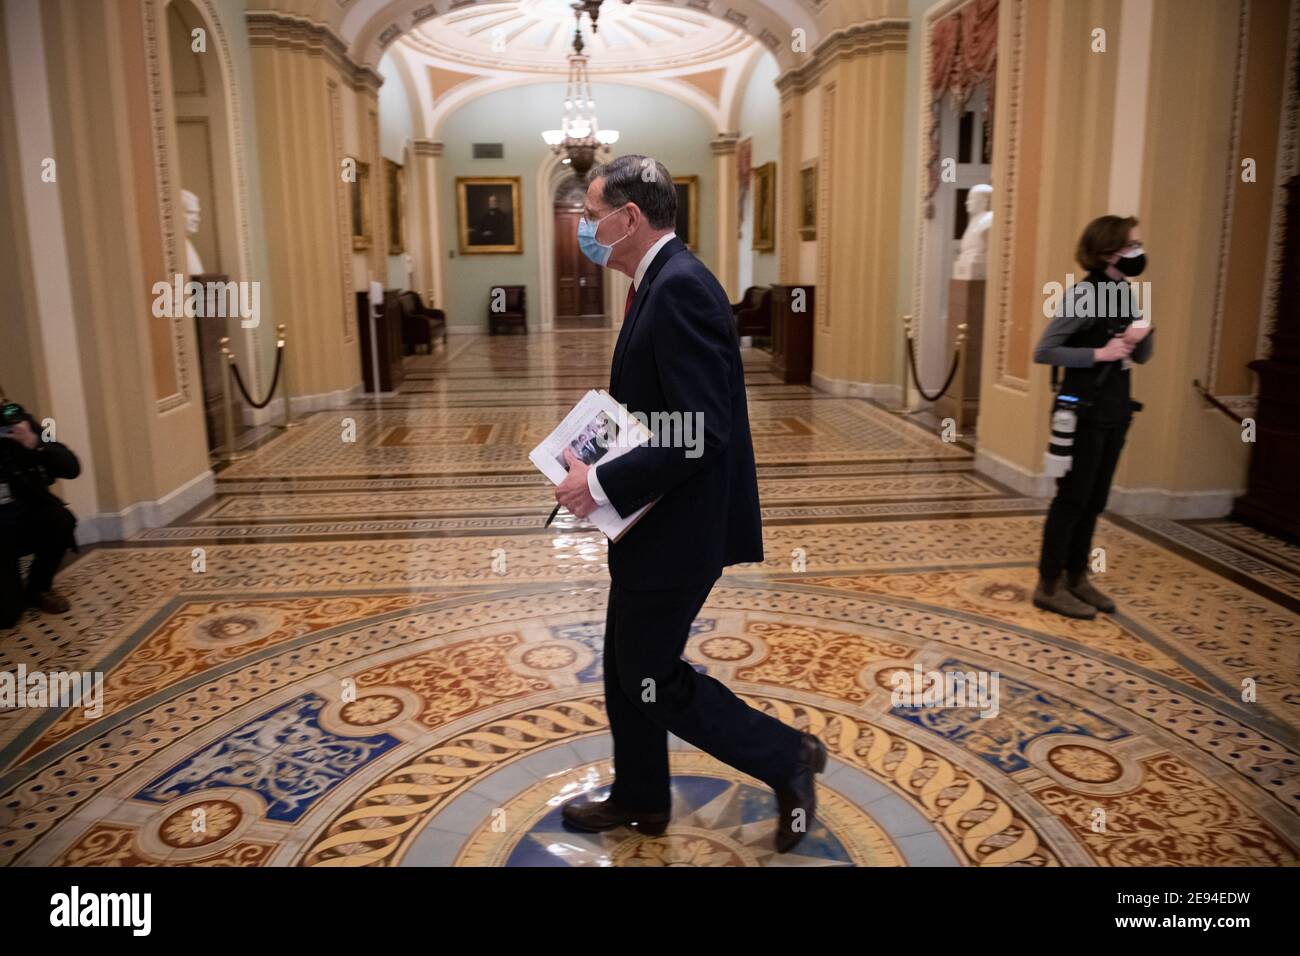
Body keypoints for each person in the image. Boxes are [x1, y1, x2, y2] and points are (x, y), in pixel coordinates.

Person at [552, 155, 825, 853]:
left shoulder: (680, 289)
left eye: (592, 216)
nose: (586, 228)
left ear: (629, 218)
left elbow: (702, 431)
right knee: (624, 666)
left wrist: (604, 484)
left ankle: (785, 755)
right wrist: (595, 446)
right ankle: (642, 798)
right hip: (653, 522)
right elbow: (662, 411)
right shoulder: (657, 282)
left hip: (679, 527)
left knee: (652, 676)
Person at [1032, 216, 1154, 619]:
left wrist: (1143, 334)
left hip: (1115, 408)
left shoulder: (1126, 293)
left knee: (1096, 499)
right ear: (1107, 252)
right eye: (1131, 245)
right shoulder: (1085, 295)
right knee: (1073, 498)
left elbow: (1139, 357)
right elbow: (1045, 350)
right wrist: (1097, 354)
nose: (1139, 251)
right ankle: (1048, 585)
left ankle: (1077, 577)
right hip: (1081, 409)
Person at [0, 398, 80, 628]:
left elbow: (71, 466)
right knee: (8, 616)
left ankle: (39, 587)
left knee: (60, 519)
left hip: (22, 520)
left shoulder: (17, 423)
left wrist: (33, 441)